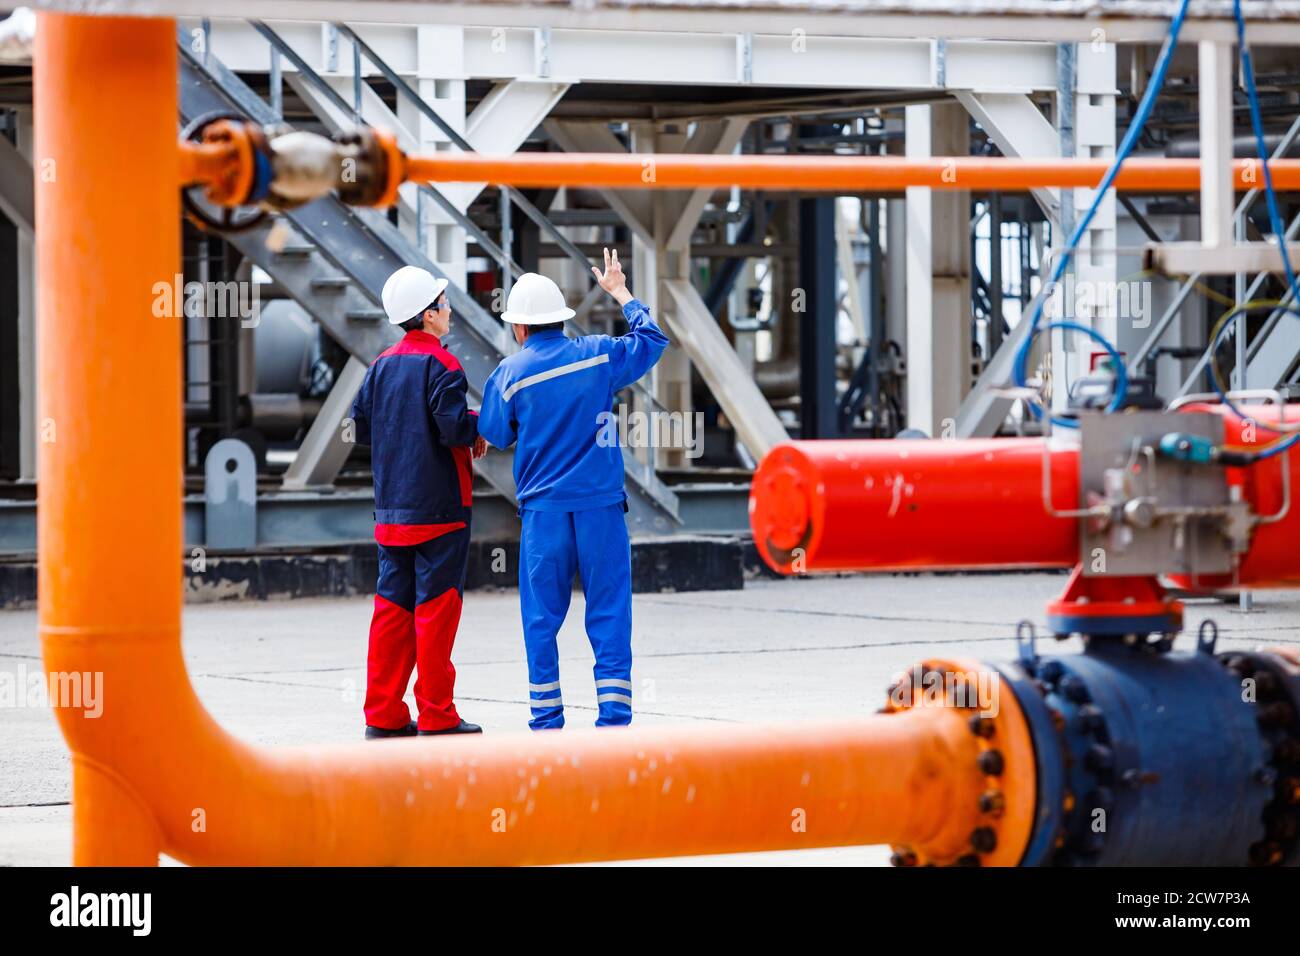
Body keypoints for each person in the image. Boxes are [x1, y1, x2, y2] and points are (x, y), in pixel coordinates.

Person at [477, 250, 668, 729]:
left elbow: (496, 435)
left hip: (544, 515)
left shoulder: (509, 375)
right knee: (609, 610)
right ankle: (614, 714)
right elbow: (652, 339)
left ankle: (546, 718)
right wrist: (620, 292)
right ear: (562, 320)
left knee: (541, 618)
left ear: (519, 328)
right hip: (601, 509)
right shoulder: (599, 355)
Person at [350, 265, 487, 739]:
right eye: (444, 303)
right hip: (442, 512)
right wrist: (476, 426)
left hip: (392, 512)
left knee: (392, 612)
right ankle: (437, 714)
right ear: (428, 316)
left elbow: (362, 429)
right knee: (436, 611)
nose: (449, 310)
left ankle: (383, 715)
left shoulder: (380, 366)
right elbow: (452, 428)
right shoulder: (444, 366)